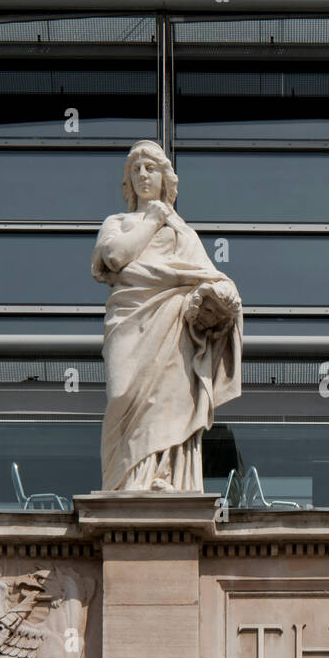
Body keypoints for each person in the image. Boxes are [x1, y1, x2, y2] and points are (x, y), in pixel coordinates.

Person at [92, 140, 242, 493]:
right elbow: (114, 257)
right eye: (136, 169)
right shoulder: (118, 222)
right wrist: (153, 219)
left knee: (167, 401)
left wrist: (216, 300)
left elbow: (213, 280)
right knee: (121, 396)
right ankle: (124, 480)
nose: (143, 174)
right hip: (128, 321)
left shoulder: (182, 233)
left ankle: (162, 477)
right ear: (128, 180)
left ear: (165, 178)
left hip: (173, 328)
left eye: (151, 168)